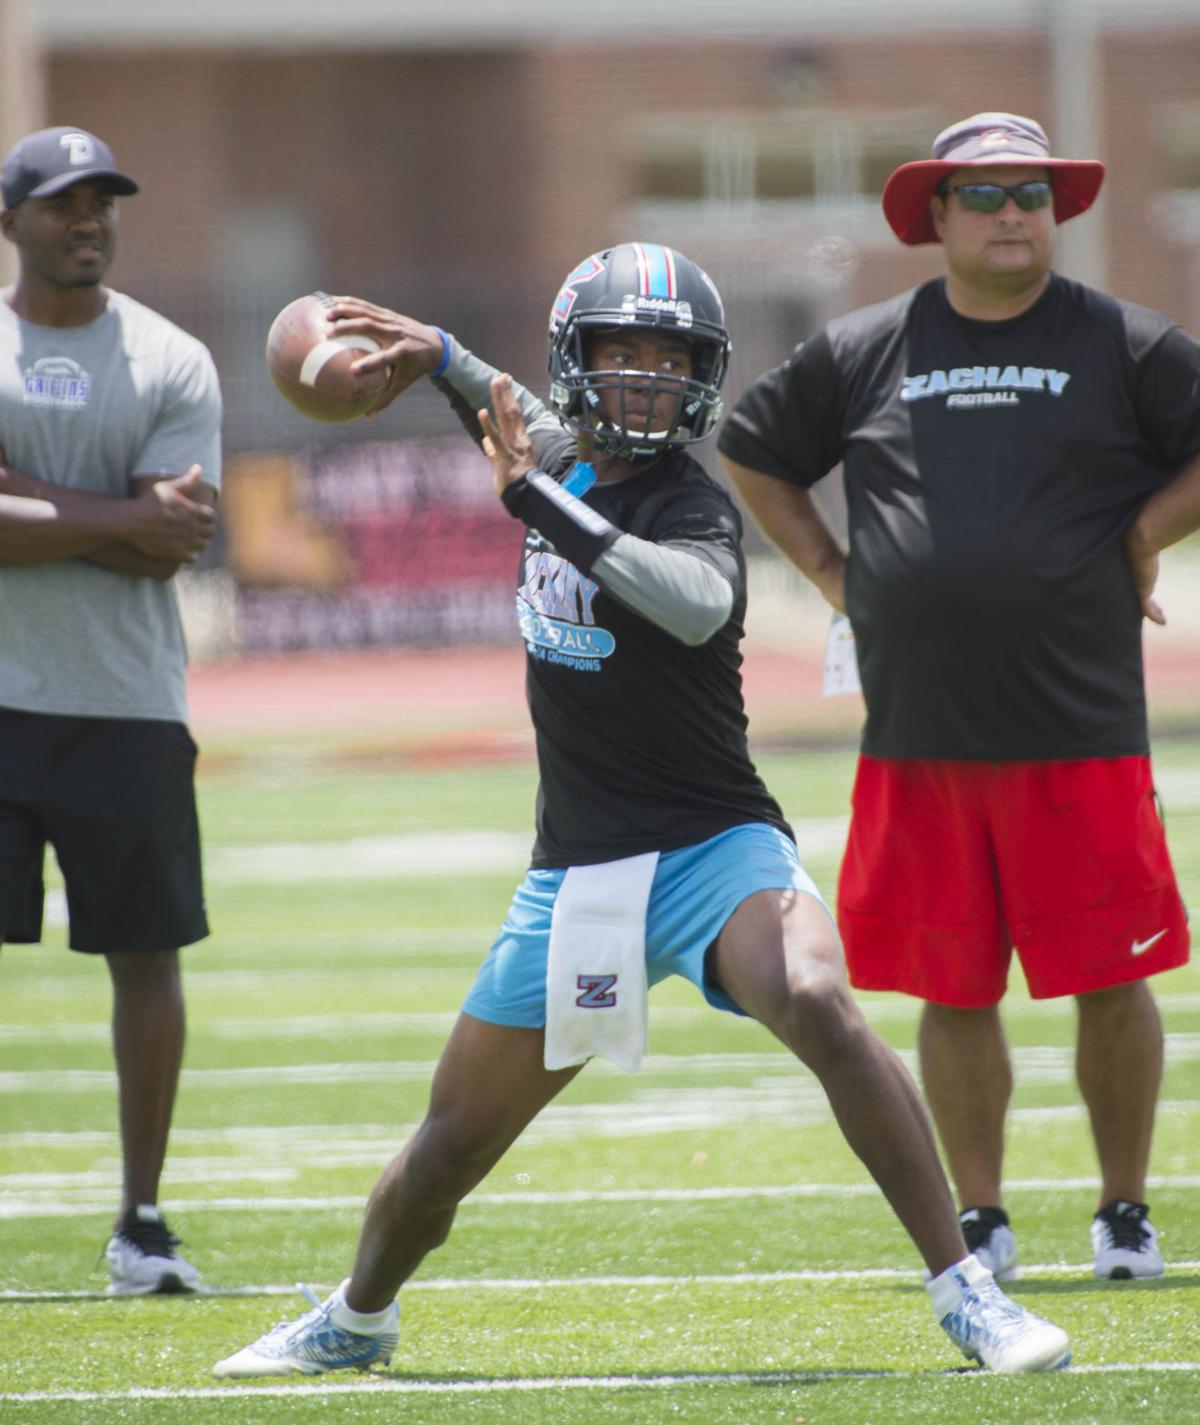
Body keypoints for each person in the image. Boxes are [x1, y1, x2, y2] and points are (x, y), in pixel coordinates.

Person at [214, 242, 1068, 1379]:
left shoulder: (685, 501)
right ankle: (357, 1316)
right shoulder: (559, 455)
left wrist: (533, 499)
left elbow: (692, 599)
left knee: (818, 997)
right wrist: (441, 353)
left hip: (715, 846)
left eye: (672, 360)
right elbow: (503, 407)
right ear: (577, 360)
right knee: (451, 1143)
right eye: (624, 351)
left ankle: (967, 1291)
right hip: (579, 869)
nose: (650, 379)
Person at [719, 112, 1200, 1284]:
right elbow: (753, 450)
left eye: (1030, 193)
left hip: (1080, 729)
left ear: (1056, 212)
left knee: (1111, 976)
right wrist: (831, 572)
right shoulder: (864, 346)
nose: (1009, 213)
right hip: (920, 732)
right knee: (952, 987)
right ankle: (980, 1217)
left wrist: (1143, 534)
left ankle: (1124, 1212)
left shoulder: (1126, 342)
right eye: (981, 195)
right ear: (935, 214)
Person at [0, 126, 221, 1294]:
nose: (88, 220)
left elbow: (169, 547)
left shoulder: (172, 357)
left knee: (145, 958)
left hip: (128, 706)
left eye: (103, 202)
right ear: (12, 222)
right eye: (61, 203)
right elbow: (143, 525)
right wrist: (124, 514)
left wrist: (30, 502)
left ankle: (141, 1220)